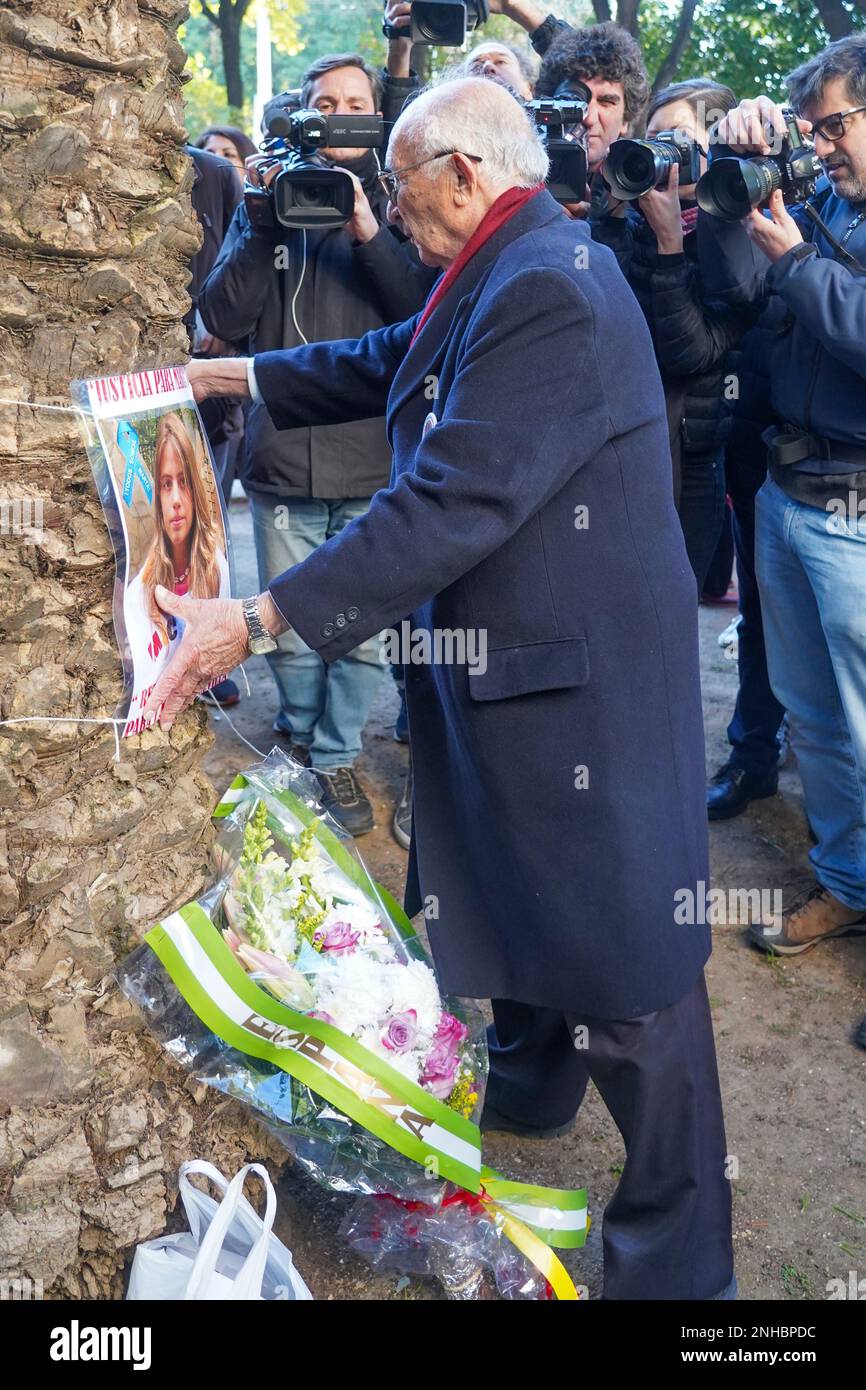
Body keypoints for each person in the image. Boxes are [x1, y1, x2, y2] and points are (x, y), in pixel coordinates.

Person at [143, 77, 735, 1302]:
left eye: (404, 198)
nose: (392, 221)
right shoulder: (505, 259)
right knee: (515, 891)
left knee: (629, 973)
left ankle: (681, 1268)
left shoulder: (548, 290)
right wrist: (237, 381)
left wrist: (257, 619)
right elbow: (388, 360)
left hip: (578, 691)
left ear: (464, 174)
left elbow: (448, 500)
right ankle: (526, 1083)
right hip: (517, 666)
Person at [199, 38, 438, 836]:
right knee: (288, 625)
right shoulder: (265, 198)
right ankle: (301, 743)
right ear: (301, 116)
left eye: (355, 104)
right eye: (324, 104)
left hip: (374, 459)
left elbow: (421, 317)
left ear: (380, 118)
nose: (340, 116)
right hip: (283, 458)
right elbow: (222, 323)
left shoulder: (407, 204)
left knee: (362, 632)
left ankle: (335, 758)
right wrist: (256, 221)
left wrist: (370, 225)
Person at [697, 34, 866, 972]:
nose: (824, 144)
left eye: (836, 123)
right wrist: (735, 174)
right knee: (817, 719)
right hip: (789, 497)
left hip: (857, 511)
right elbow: (736, 290)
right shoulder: (817, 207)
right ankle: (847, 884)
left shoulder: (821, 231)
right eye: (815, 128)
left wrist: (801, 256)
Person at [592, 79, 752, 592]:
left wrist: (669, 246)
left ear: (716, 151)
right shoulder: (630, 220)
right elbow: (598, 320)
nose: (663, 154)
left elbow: (690, 351)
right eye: (654, 138)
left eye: (678, 141)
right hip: (612, 446)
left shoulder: (741, 239)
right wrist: (613, 219)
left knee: (669, 607)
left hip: (691, 460)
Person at [125, 412, 230, 695]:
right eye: (166, 484)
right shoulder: (140, 590)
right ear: (156, 497)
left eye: (184, 482)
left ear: (196, 490)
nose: (175, 501)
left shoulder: (215, 566)